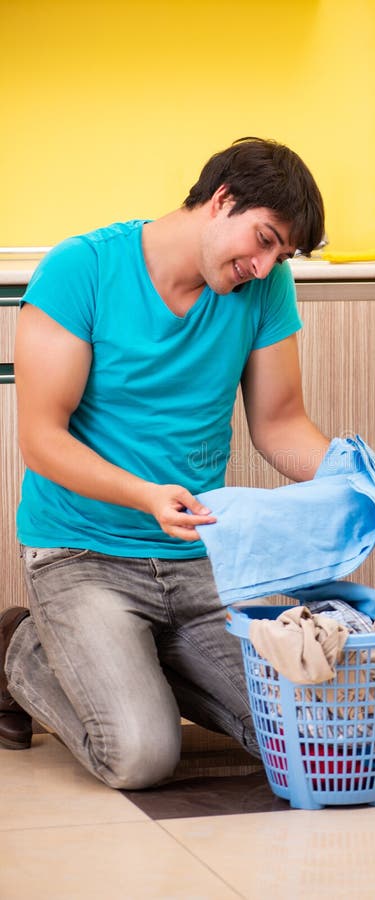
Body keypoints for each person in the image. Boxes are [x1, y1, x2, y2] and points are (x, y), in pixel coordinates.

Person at [0, 137, 331, 789]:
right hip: (82, 557)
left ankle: (136, 658)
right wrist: (145, 495)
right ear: (222, 200)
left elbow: (280, 423)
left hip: (199, 559)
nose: (264, 267)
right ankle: (20, 647)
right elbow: (42, 439)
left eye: (279, 254)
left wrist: (355, 479)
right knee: (141, 756)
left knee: (306, 733)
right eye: (262, 239)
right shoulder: (82, 269)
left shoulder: (263, 287)